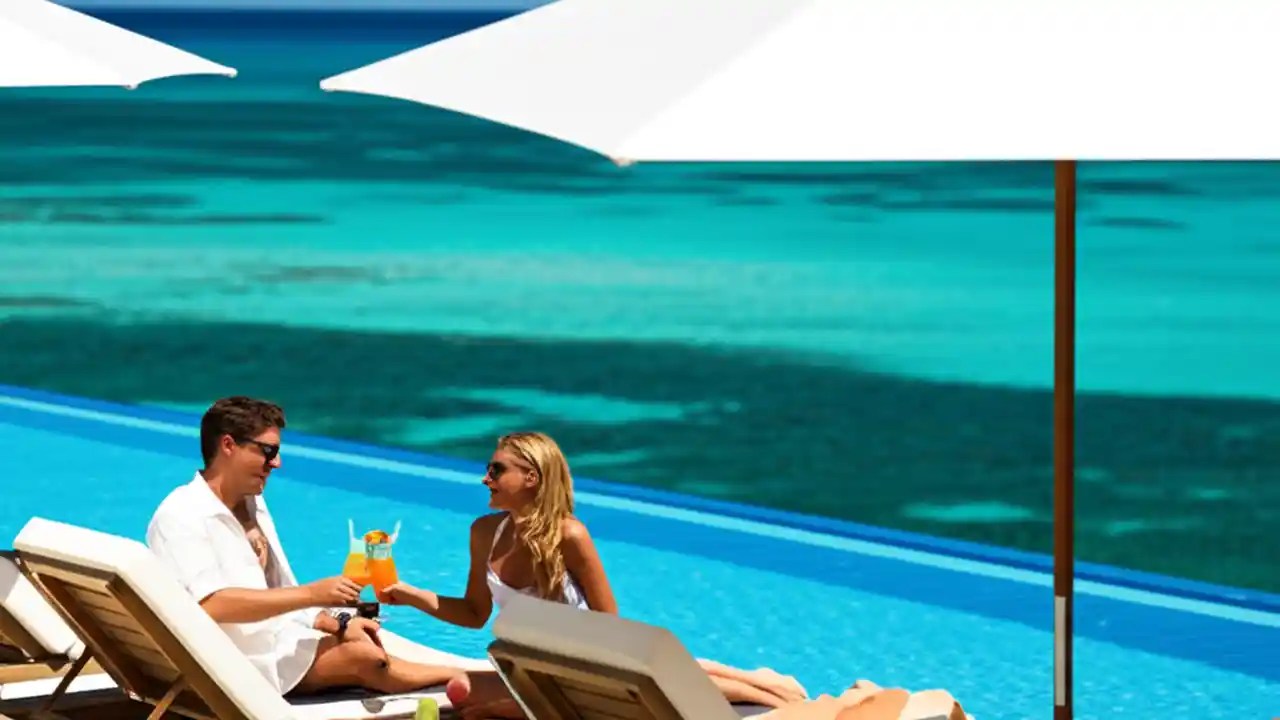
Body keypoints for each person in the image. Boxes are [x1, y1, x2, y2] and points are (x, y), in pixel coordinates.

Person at [379, 431, 811, 719]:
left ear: (531, 477)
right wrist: (413, 595)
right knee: (462, 694)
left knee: (674, 686)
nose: (484, 478)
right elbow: (475, 612)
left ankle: (768, 693)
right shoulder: (485, 532)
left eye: (496, 471)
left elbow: (611, 626)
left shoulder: (569, 535)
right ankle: (761, 678)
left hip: (586, 660)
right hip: (535, 663)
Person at [145, 396, 465, 697]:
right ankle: (457, 675)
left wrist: (330, 620)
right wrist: (312, 595)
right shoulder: (182, 515)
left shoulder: (252, 503)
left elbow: (275, 589)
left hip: (280, 642)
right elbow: (212, 604)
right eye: (267, 452)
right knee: (366, 657)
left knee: (360, 633)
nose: (277, 463)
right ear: (228, 445)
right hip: (239, 666)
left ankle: (456, 674)